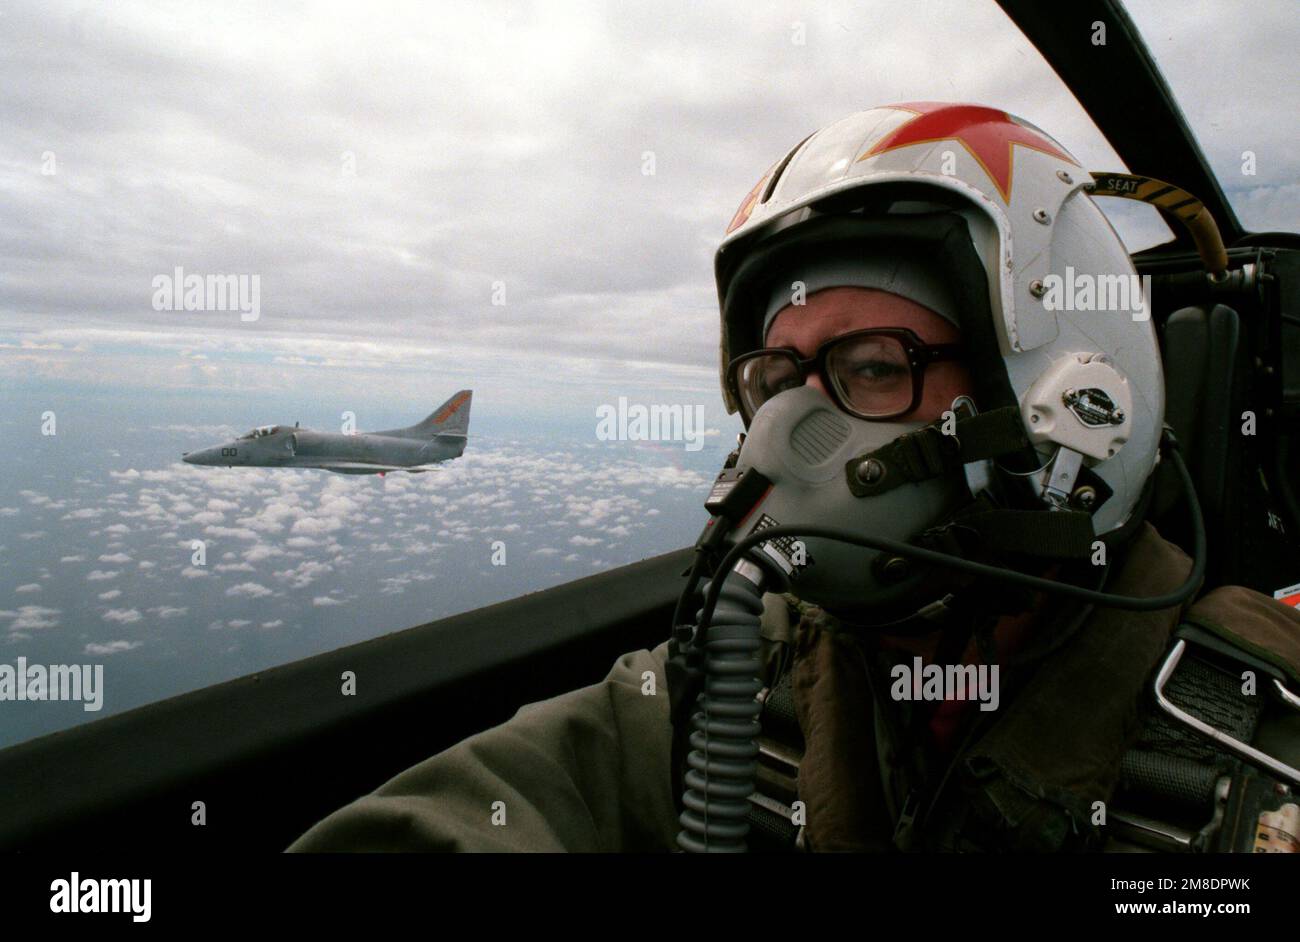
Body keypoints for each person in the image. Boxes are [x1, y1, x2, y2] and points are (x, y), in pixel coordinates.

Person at [289, 102, 1300, 853]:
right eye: (776, 381)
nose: (786, 431)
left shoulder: (1257, 757)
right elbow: (486, 806)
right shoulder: (750, 674)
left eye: (870, 368)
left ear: (1070, 398)